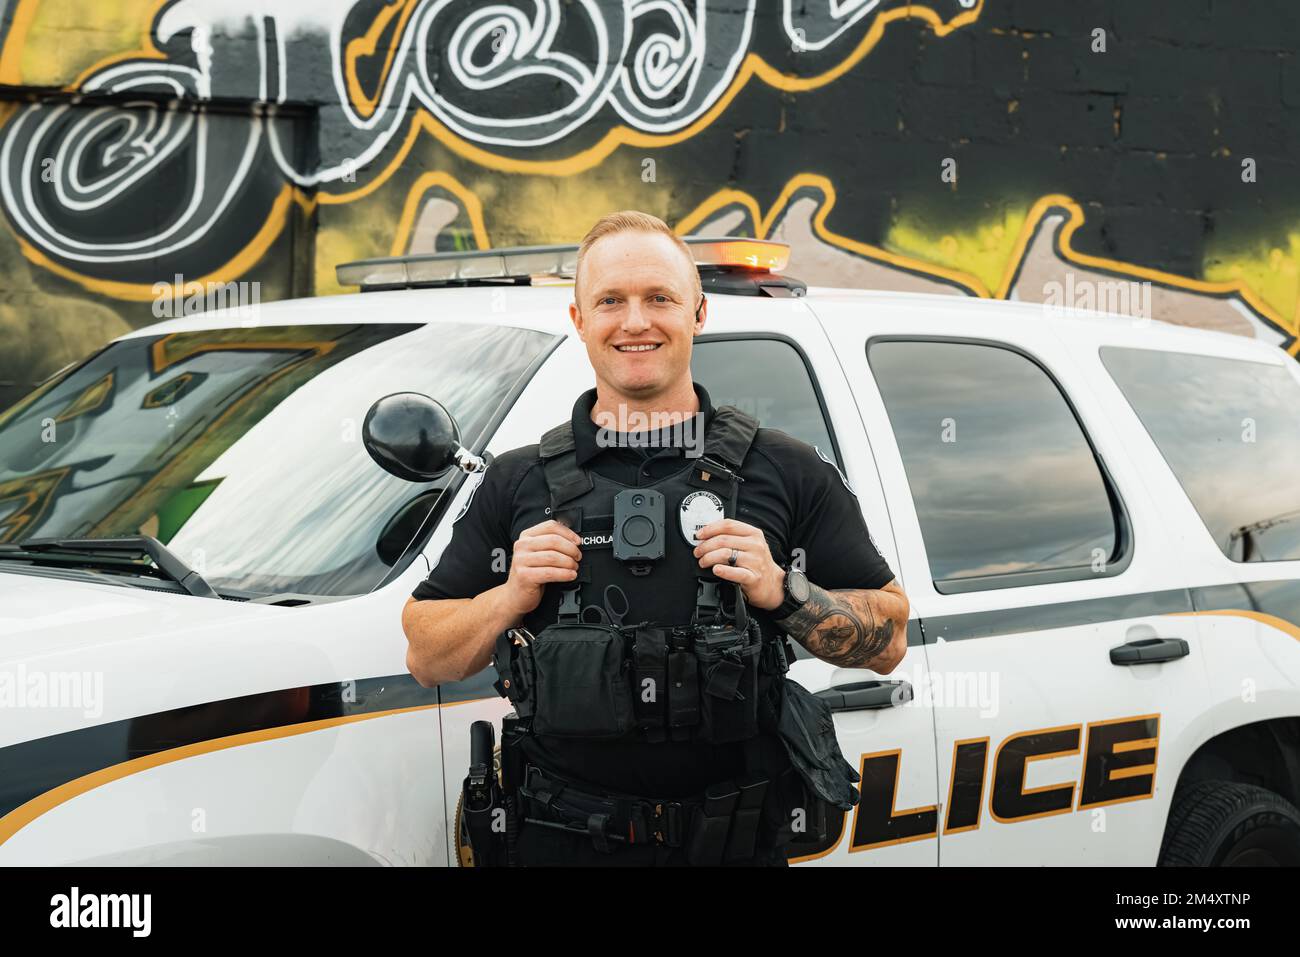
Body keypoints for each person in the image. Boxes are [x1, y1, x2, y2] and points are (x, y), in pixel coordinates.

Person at [402, 210, 910, 866]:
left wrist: (783, 589)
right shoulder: (517, 480)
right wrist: (509, 596)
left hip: (732, 845)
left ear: (699, 313)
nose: (636, 322)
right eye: (610, 300)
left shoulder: (784, 468)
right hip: (560, 845)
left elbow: (890, 641)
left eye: (659, 298)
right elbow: (425, 655)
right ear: (580, 319)